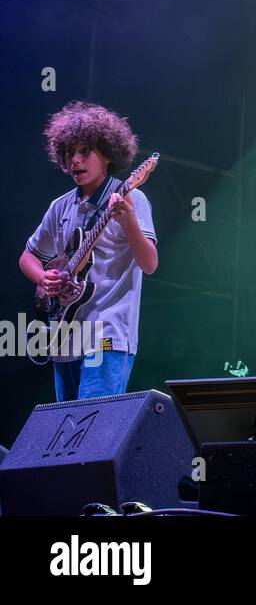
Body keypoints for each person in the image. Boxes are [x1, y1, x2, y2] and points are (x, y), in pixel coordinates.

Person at [19, 101, 157, 400]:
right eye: (68, 154)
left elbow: (149, 263)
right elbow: (28, 256)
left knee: (95, 431)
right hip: (65, 337)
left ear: (107, 154)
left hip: (108, 336)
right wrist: (43, 278)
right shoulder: (61, 206)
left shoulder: (134, 198)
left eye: (84, 152)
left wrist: (129, 220)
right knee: (67, 437)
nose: (74, 161)